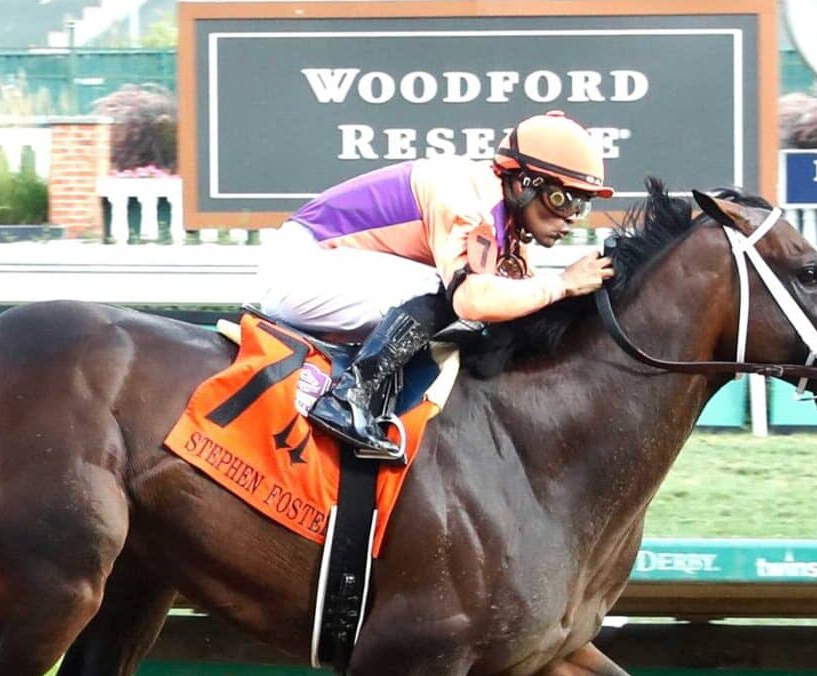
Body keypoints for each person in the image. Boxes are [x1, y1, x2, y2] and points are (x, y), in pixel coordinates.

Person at [257, 110, 617, 461]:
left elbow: (519, 298)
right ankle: (349, 398)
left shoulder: (504, 222)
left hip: (326, 270)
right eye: (562, 199)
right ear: (524, 183)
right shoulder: (468, 200)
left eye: (580, 206)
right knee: (449, 293)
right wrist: (562, 284)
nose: (570, 218)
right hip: (300, 267)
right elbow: (471, 300)